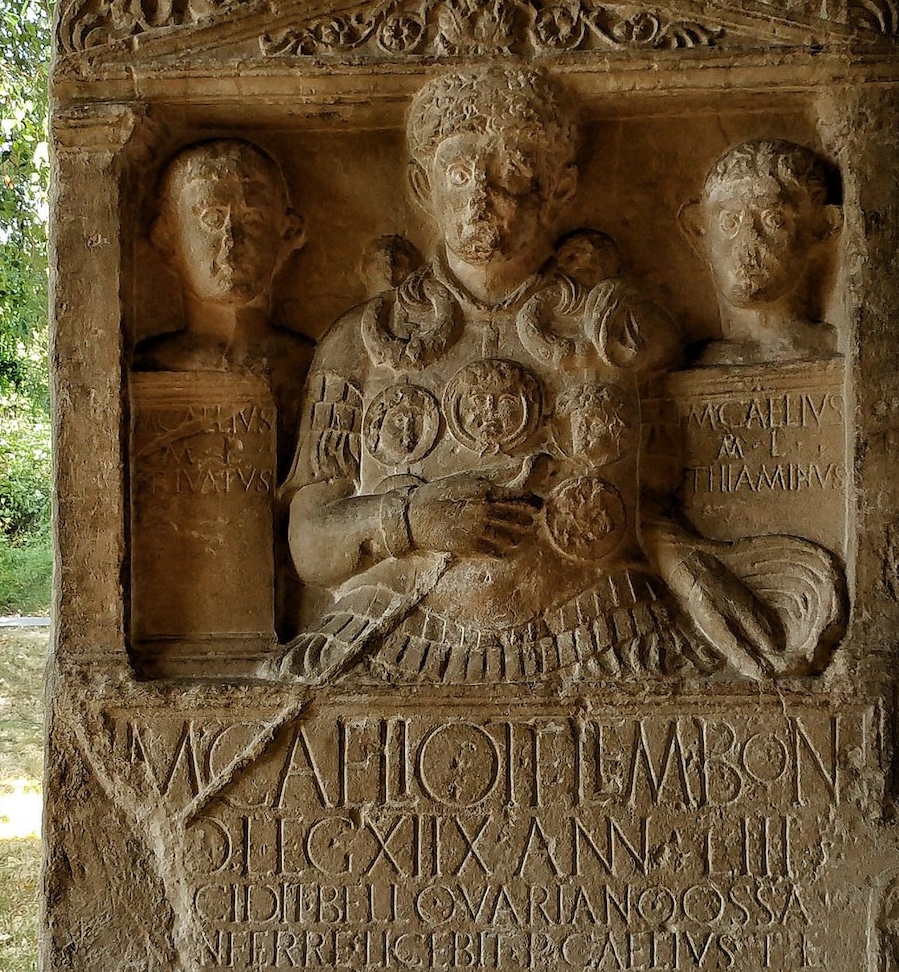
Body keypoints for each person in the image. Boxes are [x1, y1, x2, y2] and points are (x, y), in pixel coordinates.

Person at [279, 67, 839, 682]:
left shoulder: (624, 334)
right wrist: (410, 520)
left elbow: (650, 509)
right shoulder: (356, 345)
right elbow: (310, 544)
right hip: (394, 634)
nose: (480, 195)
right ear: (421, 185)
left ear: (560, 187)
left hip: (599, 632)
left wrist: (710, 594)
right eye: (459, 172)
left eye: (512, 173)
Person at [134, 137, 312, 459]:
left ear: (287, 234)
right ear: (167, 238)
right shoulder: (148, 366)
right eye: (211, 219)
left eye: (252, 218)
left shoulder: (312, 366)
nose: (231, 239)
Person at [678, 139, 842, 367]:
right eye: (730, 222)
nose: (748, 240)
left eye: (773, 220)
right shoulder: (681, 357)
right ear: (699, 233)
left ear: (822, 227)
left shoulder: (836, 345)